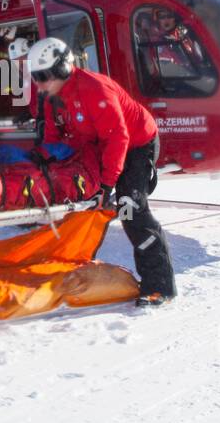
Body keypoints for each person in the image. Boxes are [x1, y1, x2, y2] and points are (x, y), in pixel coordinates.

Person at [25, 37, 176, 307]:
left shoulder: (95, 89)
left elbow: (118, 138)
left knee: (131, 207)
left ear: (62, 69)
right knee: (80, 201)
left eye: (44, 76)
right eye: (35, 77)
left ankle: (160, 286)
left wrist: (107, 185)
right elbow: (52, 137)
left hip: (136, 143)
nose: (39, 83)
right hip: (96, 144)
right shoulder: (50, 98)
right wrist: (45, 164)